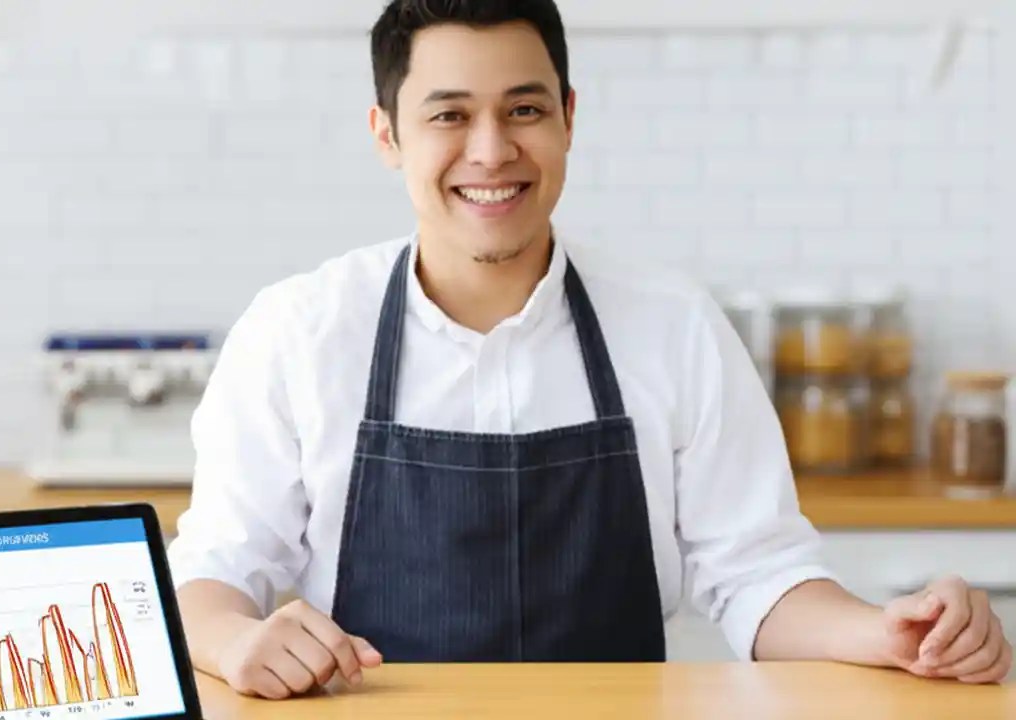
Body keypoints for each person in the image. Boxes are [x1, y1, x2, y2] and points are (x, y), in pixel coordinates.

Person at [165, 0, 1013, 699]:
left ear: (569, 118)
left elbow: (758, 573)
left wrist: (884, 631)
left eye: (524, 110)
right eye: (449, 115)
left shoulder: (672, 324)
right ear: (387, 134)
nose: (491, 150)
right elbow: (215, 570)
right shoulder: (297, 332)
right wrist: (234, 640)